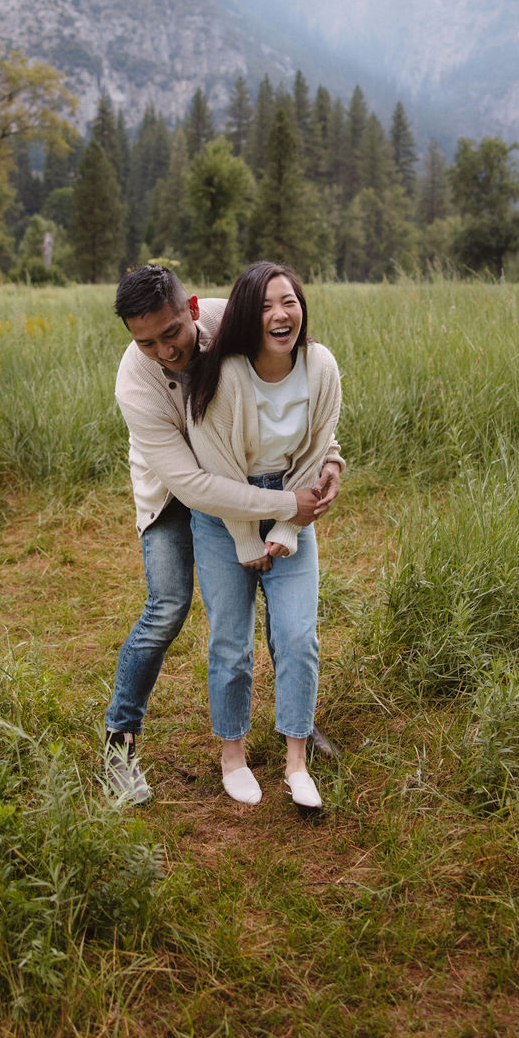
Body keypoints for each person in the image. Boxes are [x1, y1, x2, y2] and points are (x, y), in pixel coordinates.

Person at [106, 264, 343, 803]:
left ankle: (296, 721)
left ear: (192, 309)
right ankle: (120, 742)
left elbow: (294, 392)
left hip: (252, 475)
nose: (165, 350)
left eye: (172, 333)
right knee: (168, 607)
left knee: (292, 618)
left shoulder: (231, 319)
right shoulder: (136, 382)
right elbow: (194, 486)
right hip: (175, 493)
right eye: (146, 342)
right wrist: (289, 507)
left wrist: (329, 458)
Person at [185, 262, 343, 810]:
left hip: (294, 503)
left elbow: (319, 446)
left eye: (289, 302)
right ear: (246, 317)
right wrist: (247, 538)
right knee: (231, 643)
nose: (280, 314)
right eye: (266, 305)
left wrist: (290, 526)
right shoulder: (223, 375)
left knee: (298, 637)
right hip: (223, 513)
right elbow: (215, 466)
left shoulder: (321, 366)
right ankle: (233, 755)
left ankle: (296, 762)